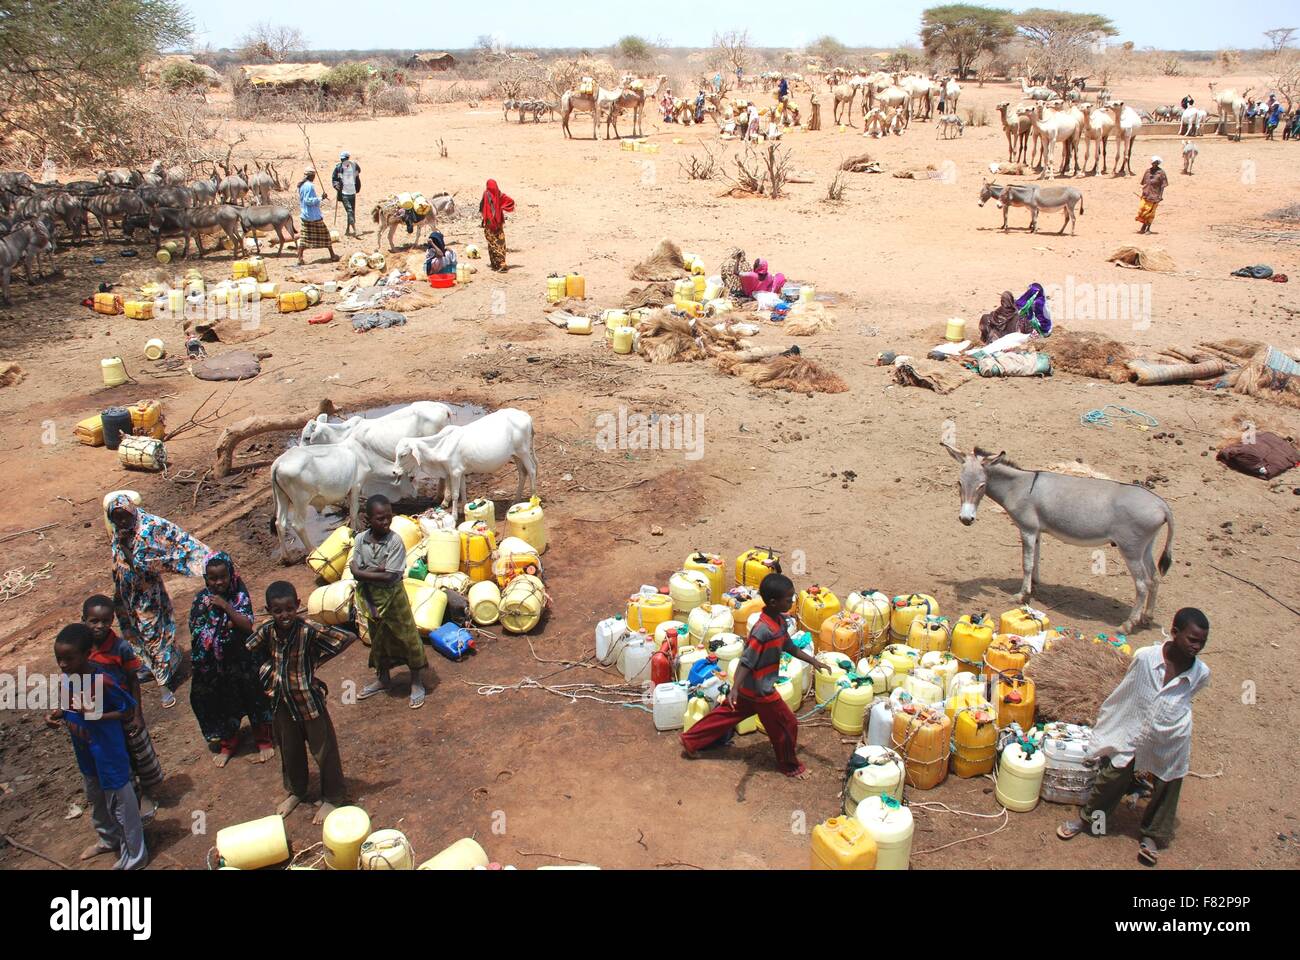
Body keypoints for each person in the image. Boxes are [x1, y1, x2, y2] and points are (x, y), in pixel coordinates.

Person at [1057, 608, 1211, 867]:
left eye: (1202, 642)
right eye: (1192, 640)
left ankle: (1151, 836)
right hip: (1133, 728)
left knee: (1168, 784)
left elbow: (1187, 696)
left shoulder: (1201, 673)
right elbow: (1126, 693)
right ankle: (1089, 820)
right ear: (1174, 633)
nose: (1197, 646)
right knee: (1113, 776)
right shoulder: (1145, 659)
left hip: (1171, 735)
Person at [680, 573, 828, 779]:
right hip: (761, 692)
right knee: (787, 725)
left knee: (724, 716)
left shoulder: (780, 622)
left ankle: (690, 740)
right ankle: (790, 766)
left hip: (750, 689)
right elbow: (746, 661)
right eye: (788, 599)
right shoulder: (762, 631)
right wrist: (734, 688)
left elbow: (789, 646)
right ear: (774, 602)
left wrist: (814, 661)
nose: (792, 602)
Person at [247, 581, 355, 824]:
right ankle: (297, 791)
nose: (284, 615)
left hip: (308, 700)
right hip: (281, 702)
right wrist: (267, 670)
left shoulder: (309, 629)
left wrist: (317, 660)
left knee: (324, 749)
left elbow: (346, 638)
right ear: (268, 610)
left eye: (289, 609)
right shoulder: (267, 630)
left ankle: (333, 797)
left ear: (298, 605)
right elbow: (251, 647)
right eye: (278, 611)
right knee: (289, 748)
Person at [46, 624, 148, 869]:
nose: (62, 664)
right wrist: (58, 713)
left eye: (69, 659)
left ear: (86, 654)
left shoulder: (102, 681)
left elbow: (126, 709)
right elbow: (68, 703)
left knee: (121, 805)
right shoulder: (67, 678)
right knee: (97, 798)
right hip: (85, 751)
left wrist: (98, 714)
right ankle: (108, 838)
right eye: (59, 659)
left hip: (108, 751)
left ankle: (135, 855)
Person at [107, 494, 209, 709]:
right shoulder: (120, 529)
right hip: (125, 592)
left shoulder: (148, 530)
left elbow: (145, 563)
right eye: (116, 518)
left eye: (124, 516)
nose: (122, 522)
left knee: (152, 633)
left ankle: (164, 683)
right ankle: (151, 665)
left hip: (147, 596)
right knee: (133, 631)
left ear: (132, 511)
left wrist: (126, 547)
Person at [188, 553, 274, 767]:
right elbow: (196, 632)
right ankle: (229, 742)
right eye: (212, 578)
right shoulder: (201, 600)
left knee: (255, 697)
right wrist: (218, 628)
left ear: (230, 575)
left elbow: (246, 624)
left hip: (244, 659)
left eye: (223, 577)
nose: (218, 582)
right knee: (223, 703)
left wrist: (226, 608)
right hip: (218, 665)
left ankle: (263, 739)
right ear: (206, 579)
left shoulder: (239, 596)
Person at [83, 595, 161, 821]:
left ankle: (146, 793)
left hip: (124, 710)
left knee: (137, 753)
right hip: (101, 715)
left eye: (106, 621)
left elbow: (133, 680)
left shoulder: (120, 648)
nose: (100, 626)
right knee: (117, 757)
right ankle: (127, 797)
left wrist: (138, 714)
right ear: (84, 620)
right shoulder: (82, 649)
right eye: (94, 621)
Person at [353, 495, 433, 709]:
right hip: (370, 599)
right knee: (379, 639)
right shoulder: (361, 540)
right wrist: (375, 571)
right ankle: (383, 678)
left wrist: (364, 572)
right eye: (380, 518)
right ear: (367, 519)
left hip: (394, 599)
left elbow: (391, 577)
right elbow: (354, 570)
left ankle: (416, 681)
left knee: (407, 638)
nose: (386, 522)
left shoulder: (395, 541)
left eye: (389, 517)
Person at [296, 168, 337, 266]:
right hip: (312, 215)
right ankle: (332, 255)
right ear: (311, 176)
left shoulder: (302, 185)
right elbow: (308, 201)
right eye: (313, 175)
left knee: (304, 238)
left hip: (305, 215)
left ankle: (299, 258)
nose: (314, 177)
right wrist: (320, 198)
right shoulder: (309, 186)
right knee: (326, 235)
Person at [478, 178, 514, 272]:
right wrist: (501, 207)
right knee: (500, 244)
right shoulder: (499, 194)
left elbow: (482, 208)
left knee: (492, 244)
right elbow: (510, 201)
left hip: (489, 225)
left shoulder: (486, 194)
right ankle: (501, 263)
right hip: (498, 225)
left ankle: (495, 264)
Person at [330, 152, 361, 237]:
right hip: (344, 193)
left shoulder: (354, 165)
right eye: (342, 159)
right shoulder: (338, 167)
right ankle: (355, 230)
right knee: (350, 210)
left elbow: (359, 171)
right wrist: (336, 185)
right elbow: (334, 179)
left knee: (351, 212)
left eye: (345, 159)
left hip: (353, 192)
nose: (343, 161)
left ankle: (348, 229)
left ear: (348, 158)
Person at [1136, 156, 1168, 234]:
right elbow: (1144, 183)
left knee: (1150, 213)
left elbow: (1163, 185)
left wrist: (1160, 196)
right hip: (1146, 195)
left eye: (1156, 163)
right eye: (1153, 162)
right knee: (1142, 210)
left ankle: (1148, 229)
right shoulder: (1147, 171)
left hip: (1155, 196)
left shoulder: (1161, 173)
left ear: (1158, 163)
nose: (1154, 164)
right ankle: (1143, 227)